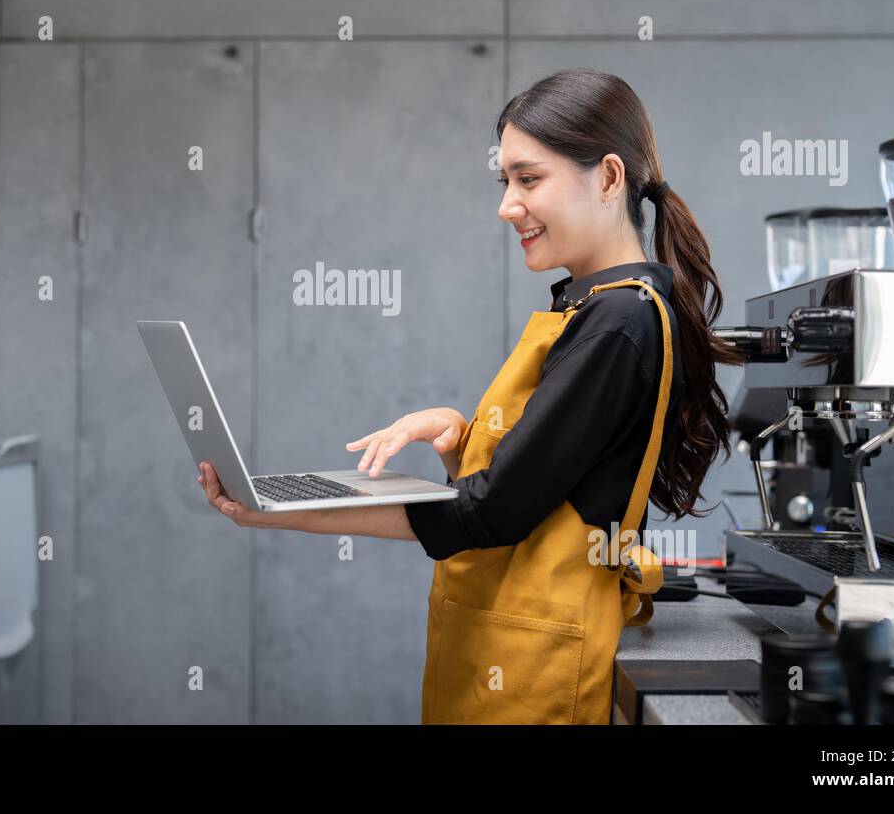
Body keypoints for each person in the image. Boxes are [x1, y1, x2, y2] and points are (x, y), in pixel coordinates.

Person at [197, 68, 741, 723]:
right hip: (512, 651)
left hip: (538, 670)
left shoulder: (618, 323)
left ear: (607, 178)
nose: (507, 205)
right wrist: (461, 441)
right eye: (505, 181)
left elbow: (486, 518)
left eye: (528, 178)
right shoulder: (597, 310)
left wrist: (277, 510)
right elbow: (541, 497)